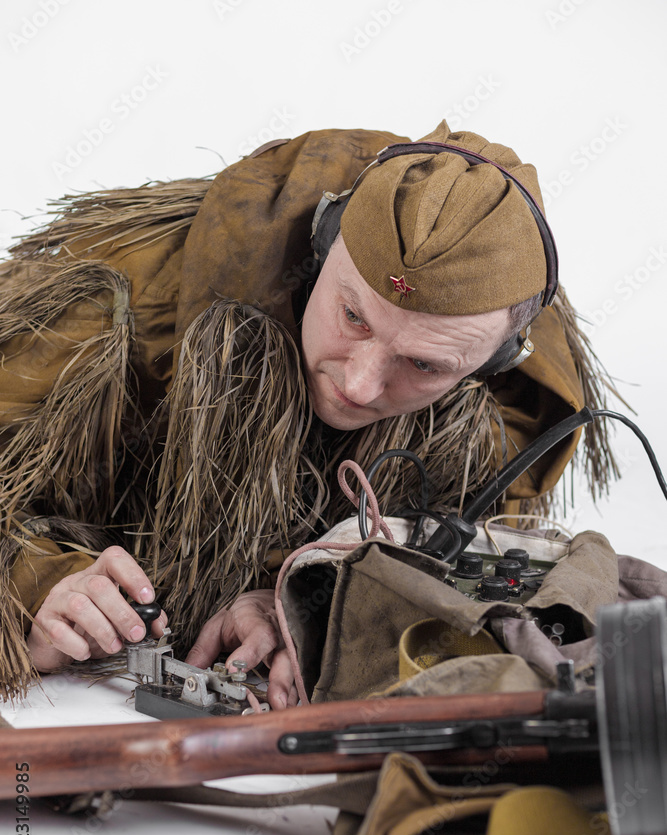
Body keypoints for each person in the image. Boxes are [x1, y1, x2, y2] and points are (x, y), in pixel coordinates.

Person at [0, 120, 613, 708]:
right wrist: (37, 588)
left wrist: (297, 600)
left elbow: (452, 560)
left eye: (424, 365)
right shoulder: (112, 305)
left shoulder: (516, 412)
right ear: (321, 249)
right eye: (352, 317)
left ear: (498, 359)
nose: (359, 382)